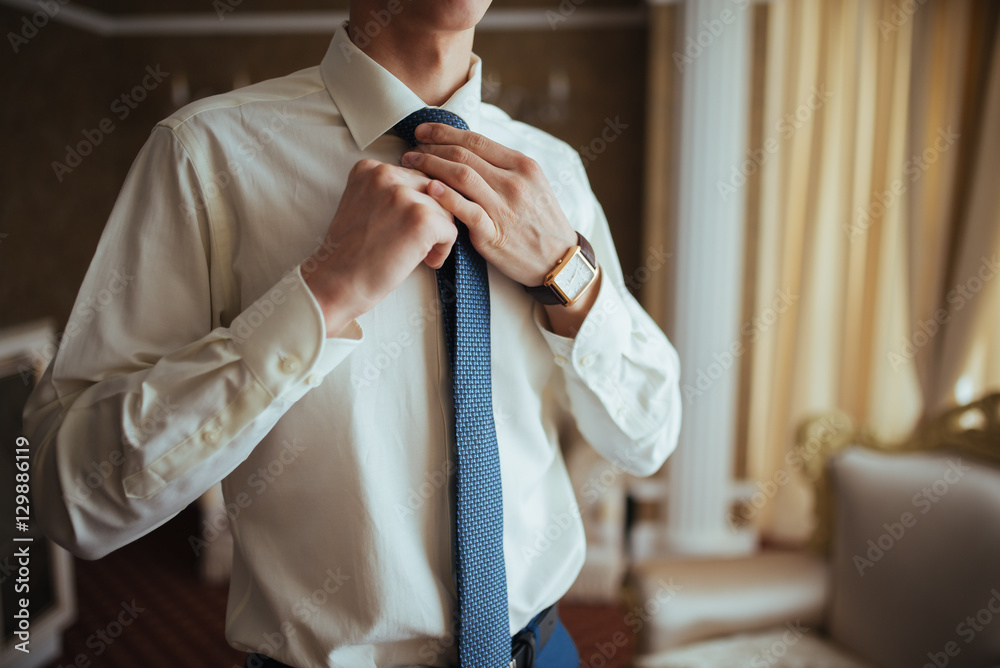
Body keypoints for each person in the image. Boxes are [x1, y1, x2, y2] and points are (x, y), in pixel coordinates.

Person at [24, 1, 682, 666]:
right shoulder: (204, 152)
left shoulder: (554, 171)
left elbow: (649, 437)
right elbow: (67, 495)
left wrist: (567, 271)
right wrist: (322, 291)